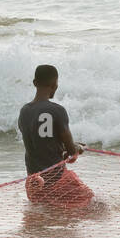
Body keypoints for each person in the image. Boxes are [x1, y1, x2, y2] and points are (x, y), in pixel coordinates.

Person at [18, 64, 93, 207]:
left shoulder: (24, 112)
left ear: (35, 83)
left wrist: (64, 146)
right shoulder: (58, 110)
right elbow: (71, 152)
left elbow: (40, 142)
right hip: (56, 181)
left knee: (49, 216)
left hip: (34, 185)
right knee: (97, 207)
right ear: (55, 85)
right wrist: (77, 147)